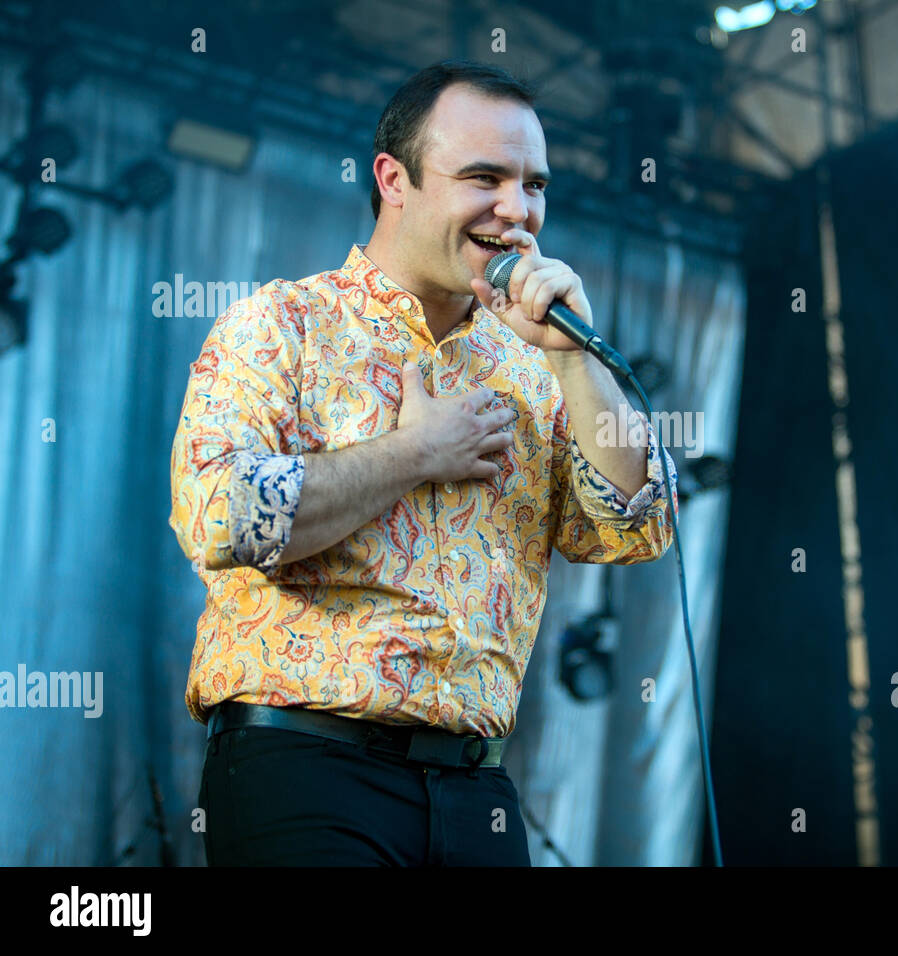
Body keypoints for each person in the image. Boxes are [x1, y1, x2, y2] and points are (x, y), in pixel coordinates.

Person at [168, 59, 678, 867]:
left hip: (478, 789)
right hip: (307, 766)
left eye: (535, 185)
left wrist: (577, 362)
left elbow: (635, 529)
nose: (518, 211)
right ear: (393, 178)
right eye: (485, 178)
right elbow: (226, 519)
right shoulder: (282, 323)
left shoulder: (535, 364)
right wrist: (414, 454)